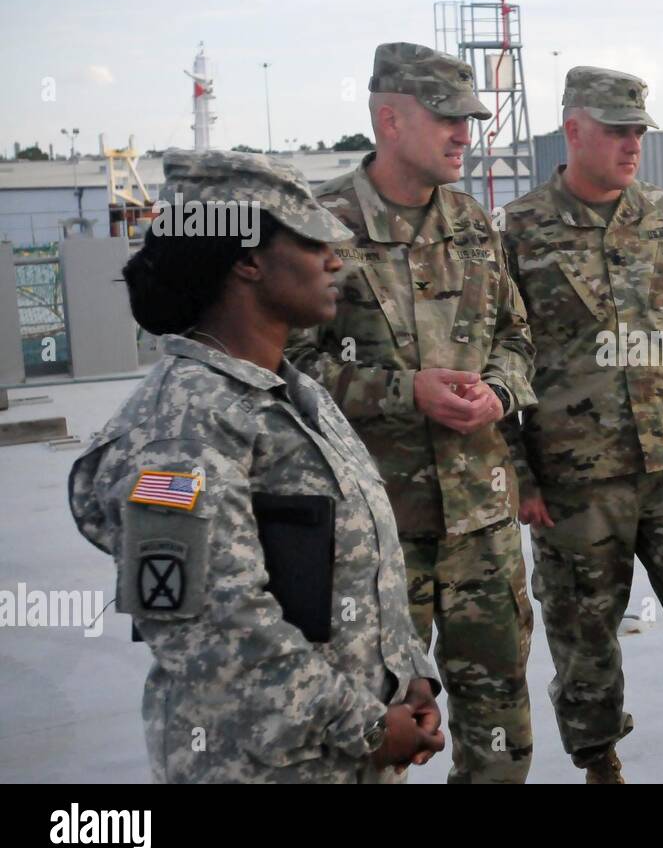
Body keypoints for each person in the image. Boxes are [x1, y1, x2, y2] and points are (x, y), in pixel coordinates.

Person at [68, 149, 444, 783]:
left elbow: (364, 569)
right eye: (311, 240)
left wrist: (409, 677)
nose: (335, 260)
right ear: (245, 258)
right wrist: (369, 727)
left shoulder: (295, 396)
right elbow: (215, 634)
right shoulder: (182, 426)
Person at [502, 66, 663, 783]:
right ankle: (601, 766)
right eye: (616, 130)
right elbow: (498, 355)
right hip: (574, 481)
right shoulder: (519, 231)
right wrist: (519, 475)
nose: (631, 144)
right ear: (574, 129)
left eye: (638, 131)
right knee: (583, 640)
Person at [285, 42, 536, 784]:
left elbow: (518, 337)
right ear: (390, 120)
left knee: (503, 744)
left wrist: (500, 389)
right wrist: (403, 392)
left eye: (471, 119)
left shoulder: (472, 222)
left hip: (483, 532)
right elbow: (284, 370)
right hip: (375, 541)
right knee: (375, 741)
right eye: (449, 118)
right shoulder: (320, 228)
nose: (467, 134)